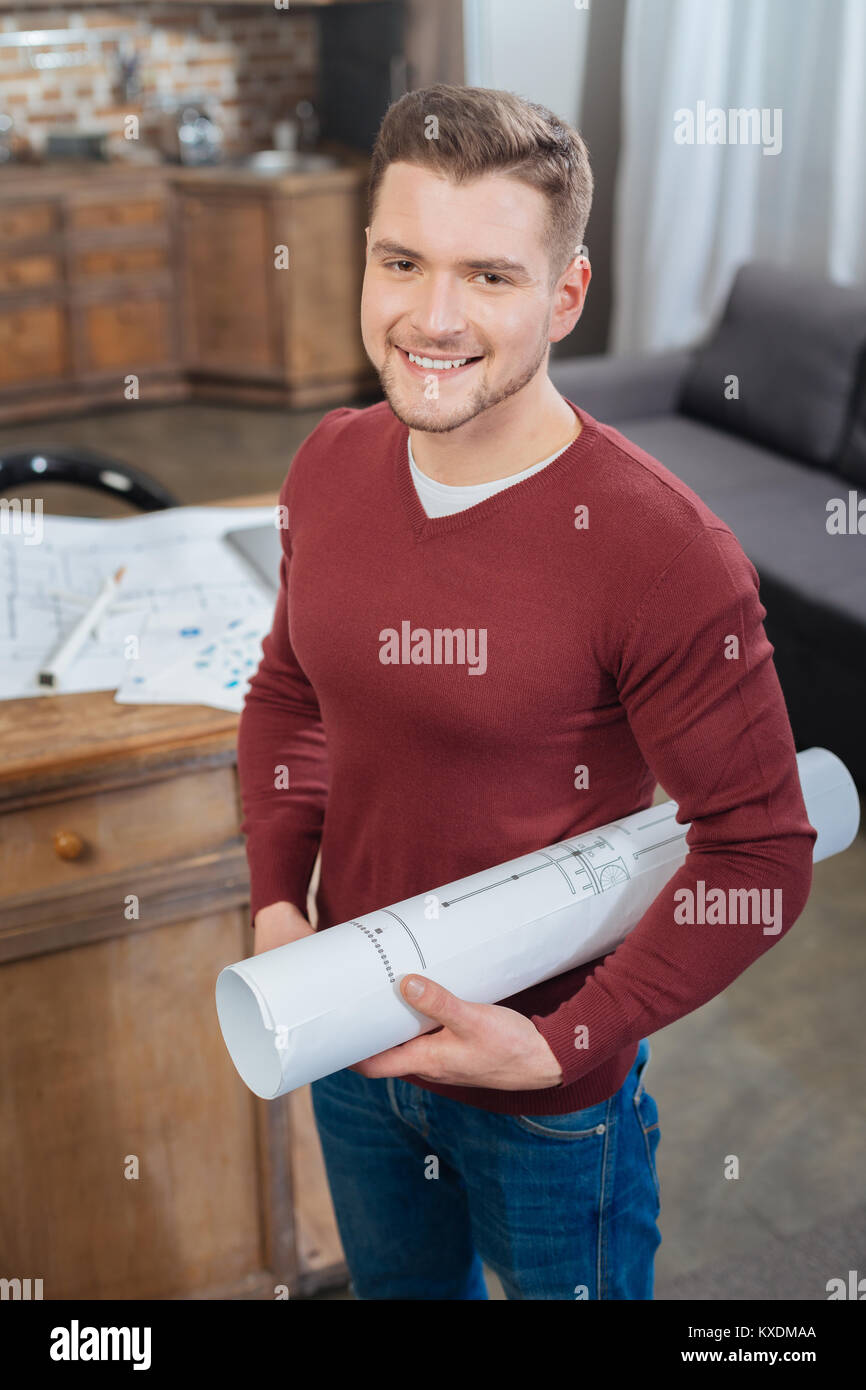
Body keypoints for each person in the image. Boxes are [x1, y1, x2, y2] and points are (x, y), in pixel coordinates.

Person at [236, 84, 816, 1300]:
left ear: (563, 296)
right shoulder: (329, 460)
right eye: (401, 260)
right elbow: (289, 696)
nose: (430, 316)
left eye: (488, 277)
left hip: (548, 1098)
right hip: (355, 1035)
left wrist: (564, 1043)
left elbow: (759, 852)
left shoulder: (662, 551)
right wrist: (277, 902)